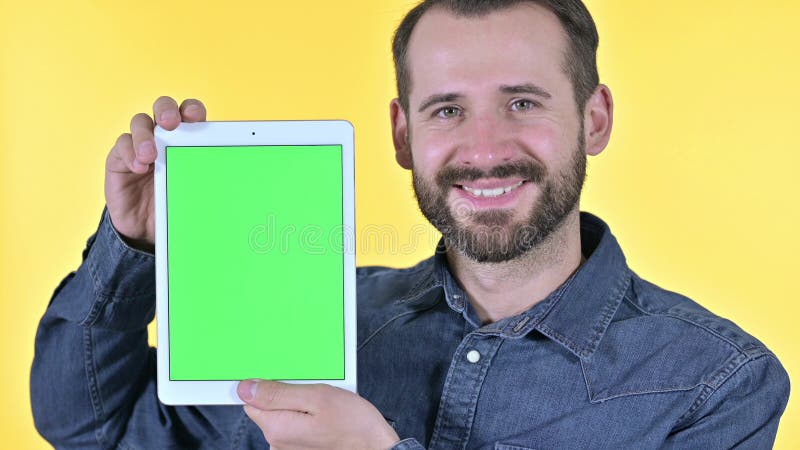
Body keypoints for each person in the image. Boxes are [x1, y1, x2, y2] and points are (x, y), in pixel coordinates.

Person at [31, 0, 790, 449]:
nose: (484, 149)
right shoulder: (311, 319)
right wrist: (133, 245)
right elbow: (90, 430)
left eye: (522, 102)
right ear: (403, 136)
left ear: (593, 120)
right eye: (447, 109)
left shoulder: (716, 383)